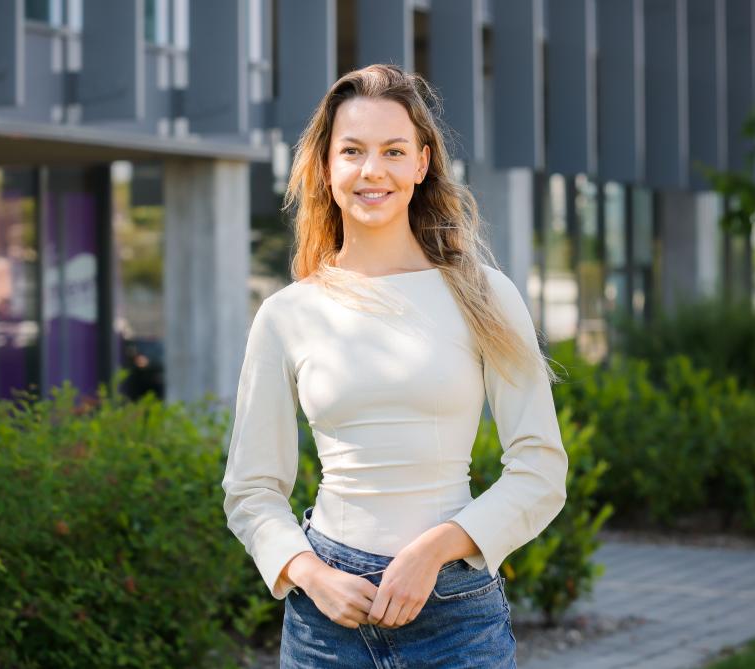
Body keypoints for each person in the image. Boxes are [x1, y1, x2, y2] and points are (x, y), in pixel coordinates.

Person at [221, 64, 568, 668]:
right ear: (326, 167)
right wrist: (310, 573)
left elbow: (540, 468)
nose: (372, 170)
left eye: (393, 151)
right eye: (352, 151)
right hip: (326, 621)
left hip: (456, 614)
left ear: (422, 163)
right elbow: (251, 490)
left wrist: (434, 551)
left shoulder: (483, 295)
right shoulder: (287, 313)